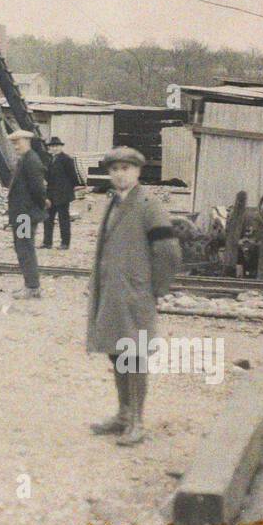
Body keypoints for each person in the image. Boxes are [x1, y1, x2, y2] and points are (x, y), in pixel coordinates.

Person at [87, 146, 181, 447]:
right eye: (114, 169)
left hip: (135, 294)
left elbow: (168, 251)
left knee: (134, 357)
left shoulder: (148, 204)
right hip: (115, 293)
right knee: (118, 353)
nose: (119, 174)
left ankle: (138, 422)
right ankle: (123, 415)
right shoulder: (115, 202)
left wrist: (156, 289)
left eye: (126, 169)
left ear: (138, 172)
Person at [6, 129, 47, 298]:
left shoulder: (31, 160)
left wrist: (37, 207)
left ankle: (32, 287)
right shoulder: (26, 159)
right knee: (23, 247)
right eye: (14, 143)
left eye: (18, 142)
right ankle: (30, 285)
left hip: (25, 215)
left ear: (27, 141)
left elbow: (38, 189)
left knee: (24, 248)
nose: (16, 146)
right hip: (22, 214)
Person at [42, 136, 83, 249]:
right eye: (52, 146)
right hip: (51, 194)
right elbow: (48, 177)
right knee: (48, 218)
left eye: (56, 146)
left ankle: (65, 243)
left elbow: (73, 176)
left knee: (63, 220)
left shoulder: (66, 159)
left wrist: (70, 189)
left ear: (61, 147)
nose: (54, 148)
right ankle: (47, 243)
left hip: (63, 195)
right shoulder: (50, 160)